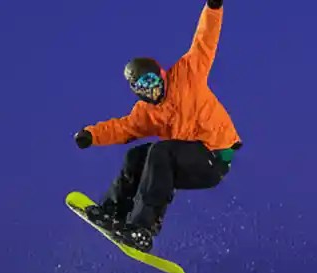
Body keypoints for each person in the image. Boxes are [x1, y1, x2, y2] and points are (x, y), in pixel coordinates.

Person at [73, 0, 241, 252]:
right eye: (141, 87)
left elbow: (205, 38)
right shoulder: (147, 113)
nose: (150, 90)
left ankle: (143, 229)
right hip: (187, 157)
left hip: (216, 155)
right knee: (136, 155)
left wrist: (213, 7)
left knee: (161, 151)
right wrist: (91, 135)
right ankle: (114, 212)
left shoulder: (188, 73)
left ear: (161, 74)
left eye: (151, 80)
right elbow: (123, 128)